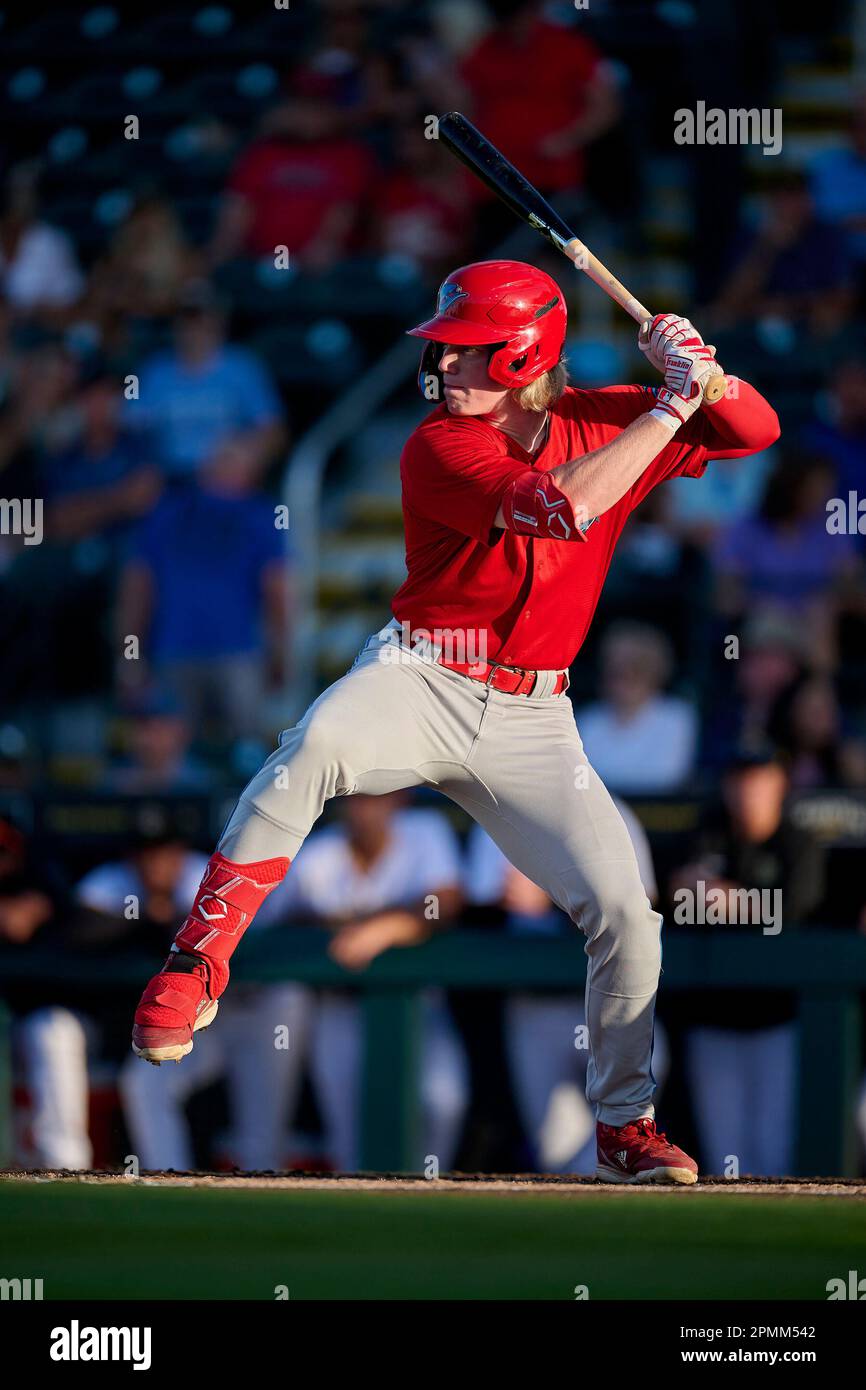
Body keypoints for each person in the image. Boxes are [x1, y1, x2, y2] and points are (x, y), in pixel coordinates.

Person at [131, 259, 780, 1184]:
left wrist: (707, 369)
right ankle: (196, 962)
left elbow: (759, 428)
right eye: (445, 352)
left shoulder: (612, 415)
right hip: (423, 672)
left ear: (523, 357)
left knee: (629, 914)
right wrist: (674, 407)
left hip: (536, 710)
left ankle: (624, 1126)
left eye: (466, 354)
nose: (444, 370)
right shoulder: (437, 445)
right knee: (309, 747)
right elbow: (564, 509)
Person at [261, 791, 467, 1172]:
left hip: (417, 1003)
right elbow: (274, 922)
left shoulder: (425, 831)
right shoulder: (320, 854)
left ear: (398, 801)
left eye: (377, 799)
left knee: (442, 1101)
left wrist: (383, 928)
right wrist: (333, 926)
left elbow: (445, 904)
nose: (365, 809)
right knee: (348, 1137)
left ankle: (427, 1196)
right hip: (339, 1008)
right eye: (357, 799)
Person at [465, 796, 668, 1175]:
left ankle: (613, 1167)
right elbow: (476, 910)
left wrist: (553, 899)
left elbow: (641, 907)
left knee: (654, 1067)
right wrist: (509, 903)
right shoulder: (493, 816)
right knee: (555, 1152)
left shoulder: (613, 812)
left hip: (606, 1003)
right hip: (534, 1006)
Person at [670, 743, 825, 1176]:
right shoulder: (708, 832)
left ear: (779, 783)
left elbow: (797, 909)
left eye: (759, 779)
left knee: (773, 1147)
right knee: (725, 1154)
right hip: (713, 1019)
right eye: (739, 780)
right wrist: (720, 899)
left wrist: (732, 900)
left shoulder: (798, 841)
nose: (747, 791)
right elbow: (679, 902)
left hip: (778, 1020)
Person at [127, 279, 285, 482]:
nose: (196, 326)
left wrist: (247, 451)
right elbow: (129, 428)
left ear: (220, 320)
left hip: (224, 480)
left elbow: (275, 433)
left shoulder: (243, 367)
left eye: (204, 316)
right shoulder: (154, 371)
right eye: (188, 316)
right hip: (165, 481)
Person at [574, 622, 699, 795]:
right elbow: (579, 780)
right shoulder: (588, 720)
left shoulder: (676, 718)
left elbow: (667, 776)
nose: (622, 676)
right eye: (614, 668)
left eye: (634, 666)